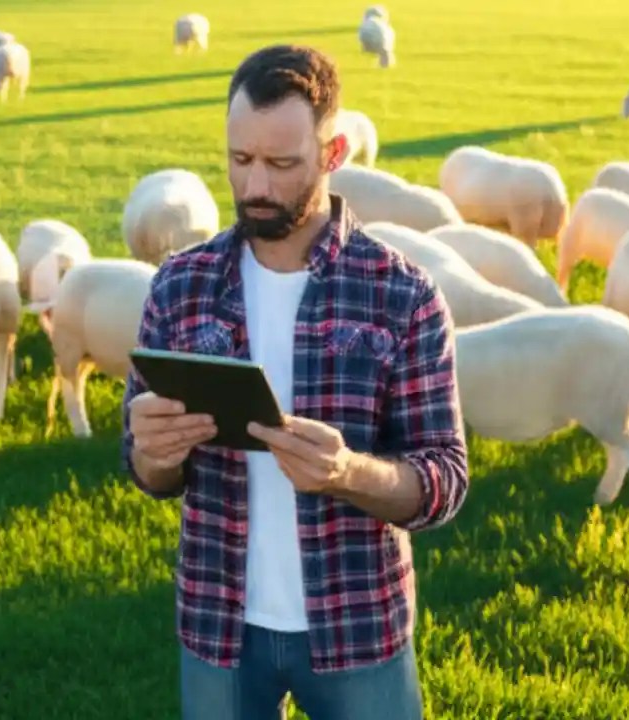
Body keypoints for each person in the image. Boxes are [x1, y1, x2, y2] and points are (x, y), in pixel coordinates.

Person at [120, 43, 470, 720]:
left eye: (281, 165)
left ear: (333, 154)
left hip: (358, 626)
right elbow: (147, 471)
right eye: (239, 159)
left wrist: (347, 473)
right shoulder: (180, 286)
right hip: (218, 626)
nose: (254, 185)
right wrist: (153, 455)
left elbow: (445, 481)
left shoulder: (402, 295)